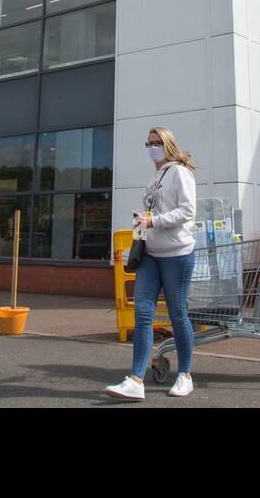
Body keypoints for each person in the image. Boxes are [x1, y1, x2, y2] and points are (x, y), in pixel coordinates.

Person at [106, 126, 198, 401]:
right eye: (149, 143)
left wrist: (153, 221)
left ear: (169, 144)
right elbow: (149, 213)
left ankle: (186, 374)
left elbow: (187, 211)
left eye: (157, 142)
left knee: (177, 313)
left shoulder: (180, 172)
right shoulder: (154, 177)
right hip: (150, 254)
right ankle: (136, 379)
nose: (152, 147)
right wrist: (140, 230)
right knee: (142, 314)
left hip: (176, 254)